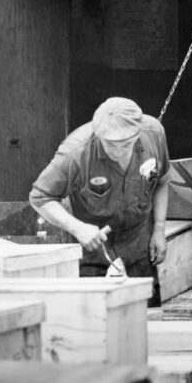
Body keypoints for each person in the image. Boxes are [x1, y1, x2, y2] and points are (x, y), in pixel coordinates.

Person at [30, 97, 171, 306]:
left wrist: (159, 229)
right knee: (95, 322)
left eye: (125, 144)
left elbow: (161, 181)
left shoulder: (154, 133)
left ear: (138, 133)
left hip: (138, 245)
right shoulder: (75, 152)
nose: (117, 151)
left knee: (144, 319)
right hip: (93, 251)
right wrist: (77, 228)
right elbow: (40, 196)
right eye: (109, 144)